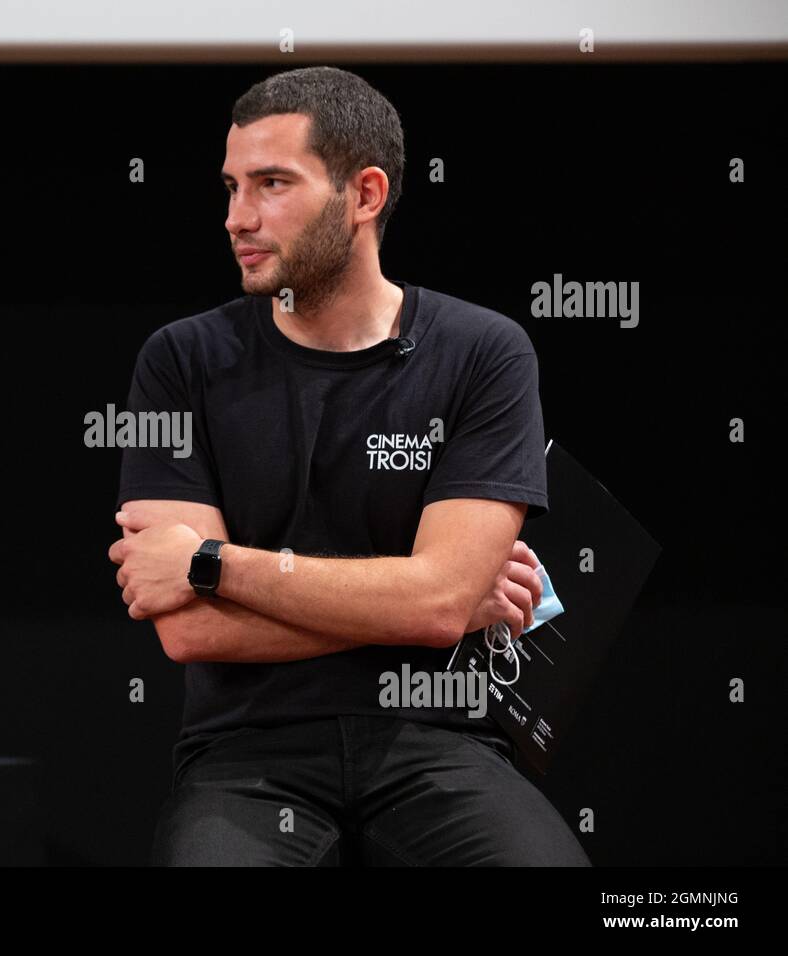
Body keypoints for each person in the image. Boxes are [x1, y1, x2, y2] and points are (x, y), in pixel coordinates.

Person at [108, 66, 590, 866]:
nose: (237, 218)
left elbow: (435, 605)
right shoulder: (183, 359)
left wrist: (208, 562)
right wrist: (420, 597)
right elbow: (188, 629)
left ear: (364, 195)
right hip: (248, 754)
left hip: (437, 738)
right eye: (230, 188)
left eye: (270, 184)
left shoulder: (483, 351)